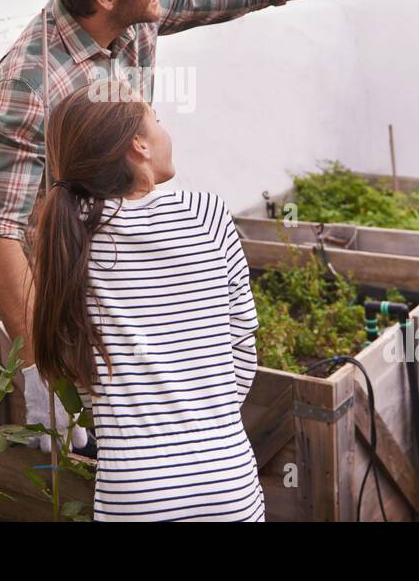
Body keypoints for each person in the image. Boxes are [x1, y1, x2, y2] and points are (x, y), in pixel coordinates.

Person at [0, 0, 419, 442]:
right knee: (89, 466)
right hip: (71, 300)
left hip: (132, 275)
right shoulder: (29, 81)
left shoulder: (139, 14)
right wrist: (40, 372)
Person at [30, 80, 263, 520]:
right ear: (138, 145)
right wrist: (208, 422)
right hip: (227, 481)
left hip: (134, 495)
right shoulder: (207, 216)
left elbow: (80, 375)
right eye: (156, 120)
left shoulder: (71, 240)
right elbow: (242, 348)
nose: (164, 129)